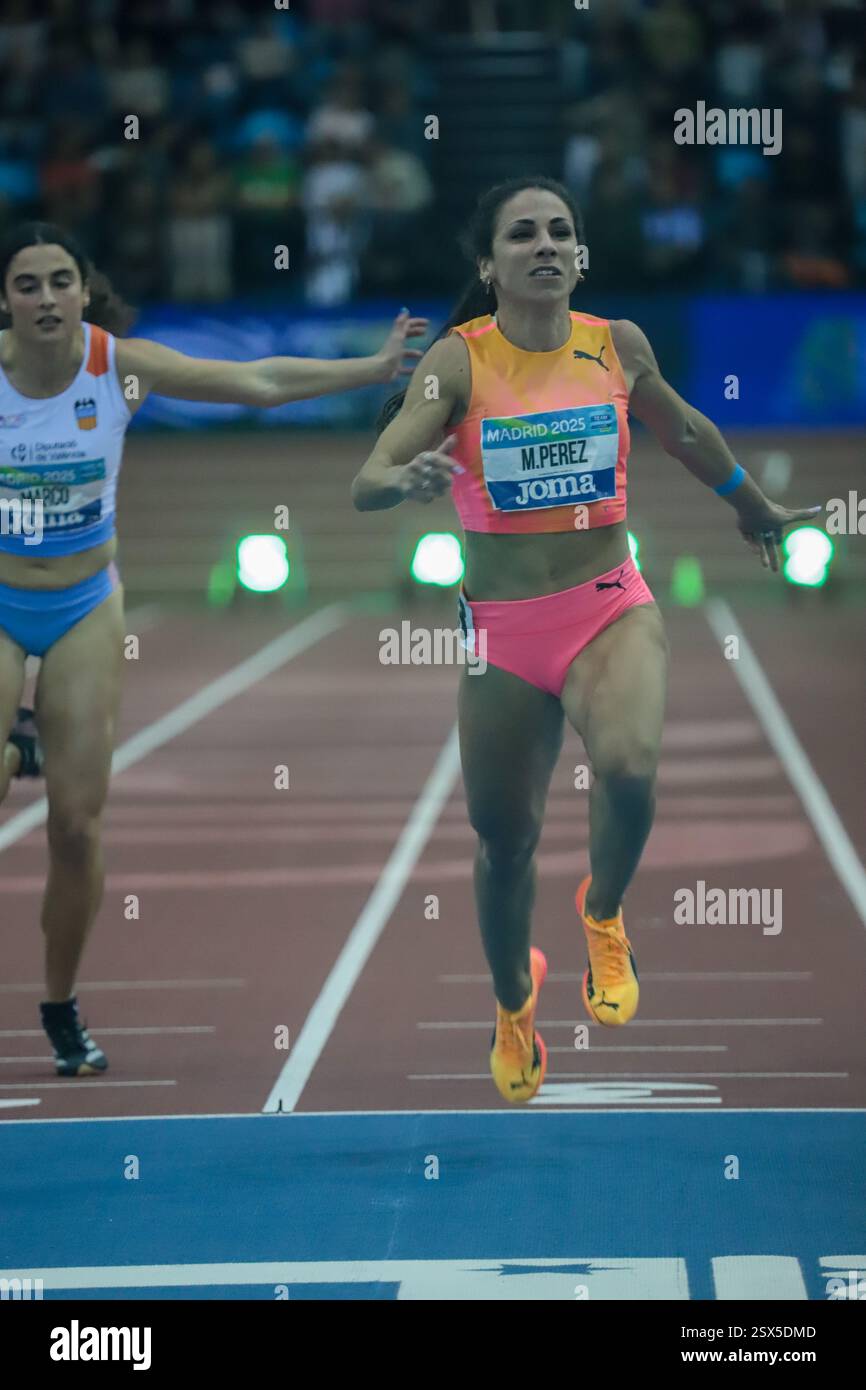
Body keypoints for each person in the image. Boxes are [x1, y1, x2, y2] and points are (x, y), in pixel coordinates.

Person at [351, 176, 819, 1104]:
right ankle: (514, 1003)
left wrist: (754, 509)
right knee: (503, 842)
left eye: (561, 230)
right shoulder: (457, 361)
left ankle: (602, 912)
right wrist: (400, 483)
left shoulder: (616, 344)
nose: (546, 245)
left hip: (609, 604)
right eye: (522, 234)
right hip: (503, 636)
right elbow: (370, 473)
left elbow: (684, 428)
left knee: (632, 768)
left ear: (581, 254)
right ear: (489, 265)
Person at [0, 221, 427, 1078]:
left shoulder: (118, 363)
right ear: (5, 302)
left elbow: (259, 381)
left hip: (85, 604)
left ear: (84, 294)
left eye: (60, 282)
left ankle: (59, 1007)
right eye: (27, 285)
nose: (45, 299)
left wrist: (373, 370)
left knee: (77, 829)